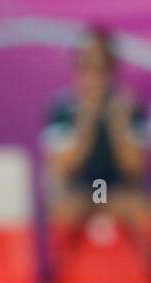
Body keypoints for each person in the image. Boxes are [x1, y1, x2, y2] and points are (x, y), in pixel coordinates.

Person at [42, 26, 150, 239]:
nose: (93, 76)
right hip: (79, 193)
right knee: (62, 210)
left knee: (142, 210)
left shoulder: (130, 107)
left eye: (100, 68)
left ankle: (141, 271)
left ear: (111, 70)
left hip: (119, 193)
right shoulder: (63, 109)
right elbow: (64, 165)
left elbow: (135, 166)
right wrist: (86, 120)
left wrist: (118, 123)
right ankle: (60, 271)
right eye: (86, 67)